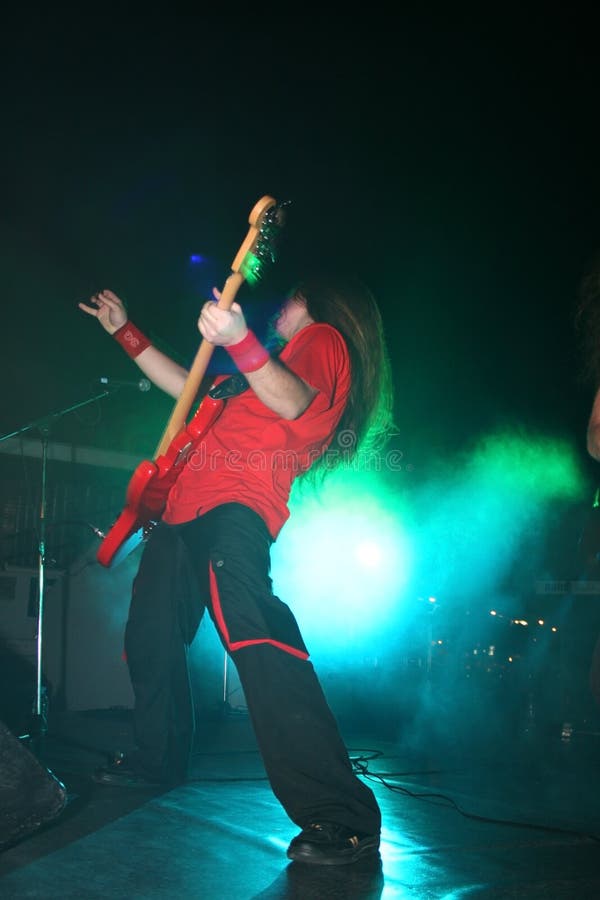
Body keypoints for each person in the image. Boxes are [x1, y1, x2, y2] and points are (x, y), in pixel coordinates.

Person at [78, 269, 394, 866]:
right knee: (149, 637)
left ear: (314, 301)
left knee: (257, 638)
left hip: (234, 506)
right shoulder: (258, 372)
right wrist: (125, 332)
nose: (283, 304)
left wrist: (240, 340)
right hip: (181, 511)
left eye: (292, 295)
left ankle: (342, 814)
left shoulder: (323, 339)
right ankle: (157, 761)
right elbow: (189, 387)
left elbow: (295, 400)